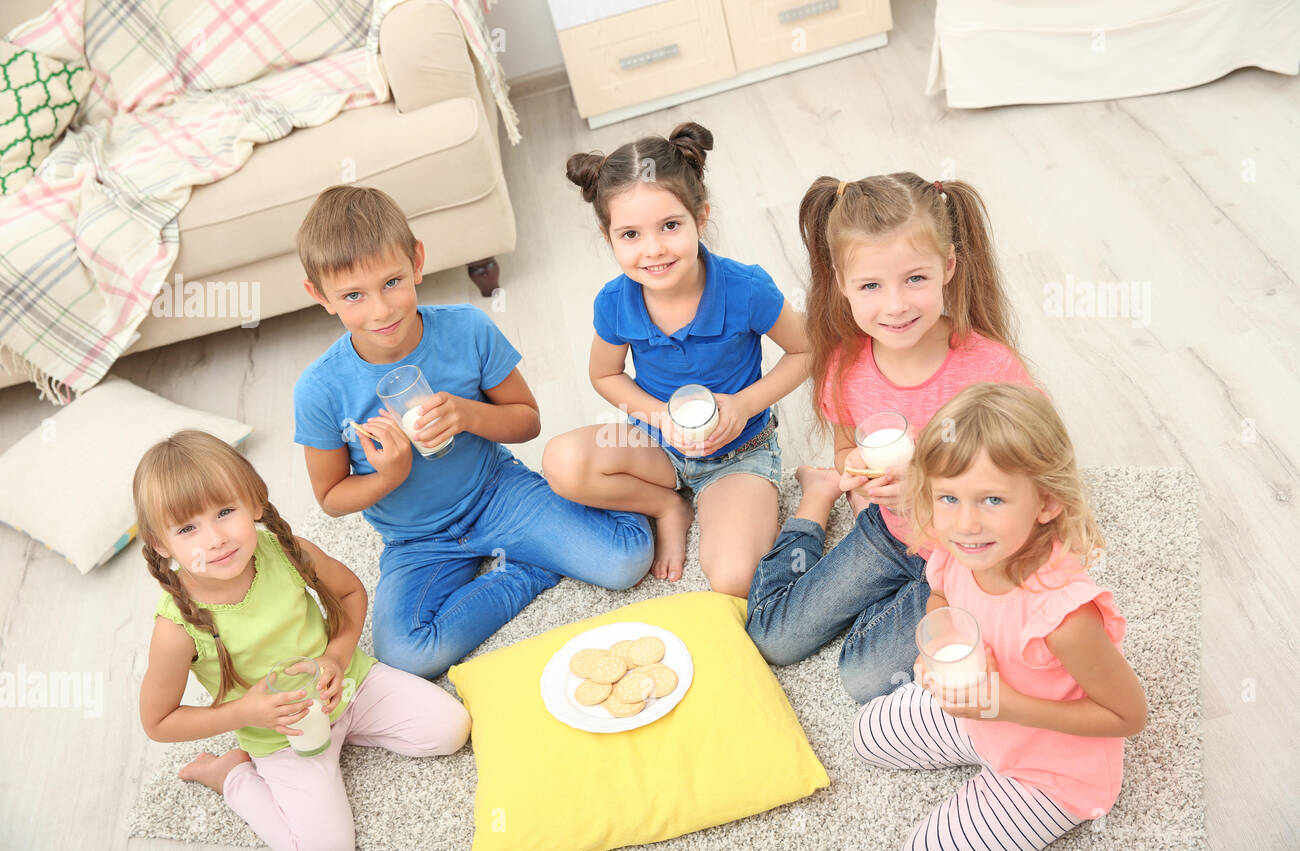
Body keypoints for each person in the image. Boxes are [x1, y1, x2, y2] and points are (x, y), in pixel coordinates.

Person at [293, 185, 653, 678]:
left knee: (626, 560)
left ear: (417, 261)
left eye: (393, 281)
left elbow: (527, 420)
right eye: (353, 295)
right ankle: (529, 569)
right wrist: (388, 475)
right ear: (320, 297)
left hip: (495, 493)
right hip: (417, 541)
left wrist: (468, 414)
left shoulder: (466, 330)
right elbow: (332, 497)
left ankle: (620, 491)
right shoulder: (319, 389)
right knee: (405, 655)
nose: (379, 310)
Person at [747, 173, 1035, 701]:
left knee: (864, 677)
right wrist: (853, 470)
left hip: (968, 549)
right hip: (891, 530)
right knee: (772, 638)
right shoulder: (846, 367)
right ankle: (815, 503)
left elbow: (1027, 474)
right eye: (871, 286)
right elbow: (845, 447)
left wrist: (929, 487)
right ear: (840, 282)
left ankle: (918, 595)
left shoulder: (990, 368)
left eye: (916, 279)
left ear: (948, 266)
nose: (896, 305)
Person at [134, 430, 471, 851]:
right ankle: (230, 775)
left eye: (224, 511)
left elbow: (350, 594)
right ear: (162, 545)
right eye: (187, 528)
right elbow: (158, 722)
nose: (214, 538)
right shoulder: (175, 629)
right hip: (279, 737)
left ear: (255, 503)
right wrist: (245, 713)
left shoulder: (289, 554)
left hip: (348, 686)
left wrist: (337, 656)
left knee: (451, 728)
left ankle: (347, 734)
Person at [854, 384, 1147, 851]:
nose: (965, 523)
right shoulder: (958, 551)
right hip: (982, 713)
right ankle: (979, 742)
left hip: (1049, 766)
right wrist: (941, 640)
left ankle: (1002, 767)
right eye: (948, 497)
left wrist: (1004, 707)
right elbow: (941, 595)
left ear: (1047, 502)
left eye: (992, 499)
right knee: (867, 732)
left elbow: (1128, 717)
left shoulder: (1064, 617)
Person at [542, 122, 810, 597]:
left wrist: (745, 406)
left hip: (737, 451)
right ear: (609, 238)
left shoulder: (745, 288)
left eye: (670, 225)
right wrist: (659, 418)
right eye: (630, 234)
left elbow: (804, 350)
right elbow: (604, 374)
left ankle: (775, 501)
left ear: (700, 217)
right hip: (659, 447)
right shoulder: (615, 301)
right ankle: (668, 506)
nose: (654, 249)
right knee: (561, 462)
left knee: (735, 578)